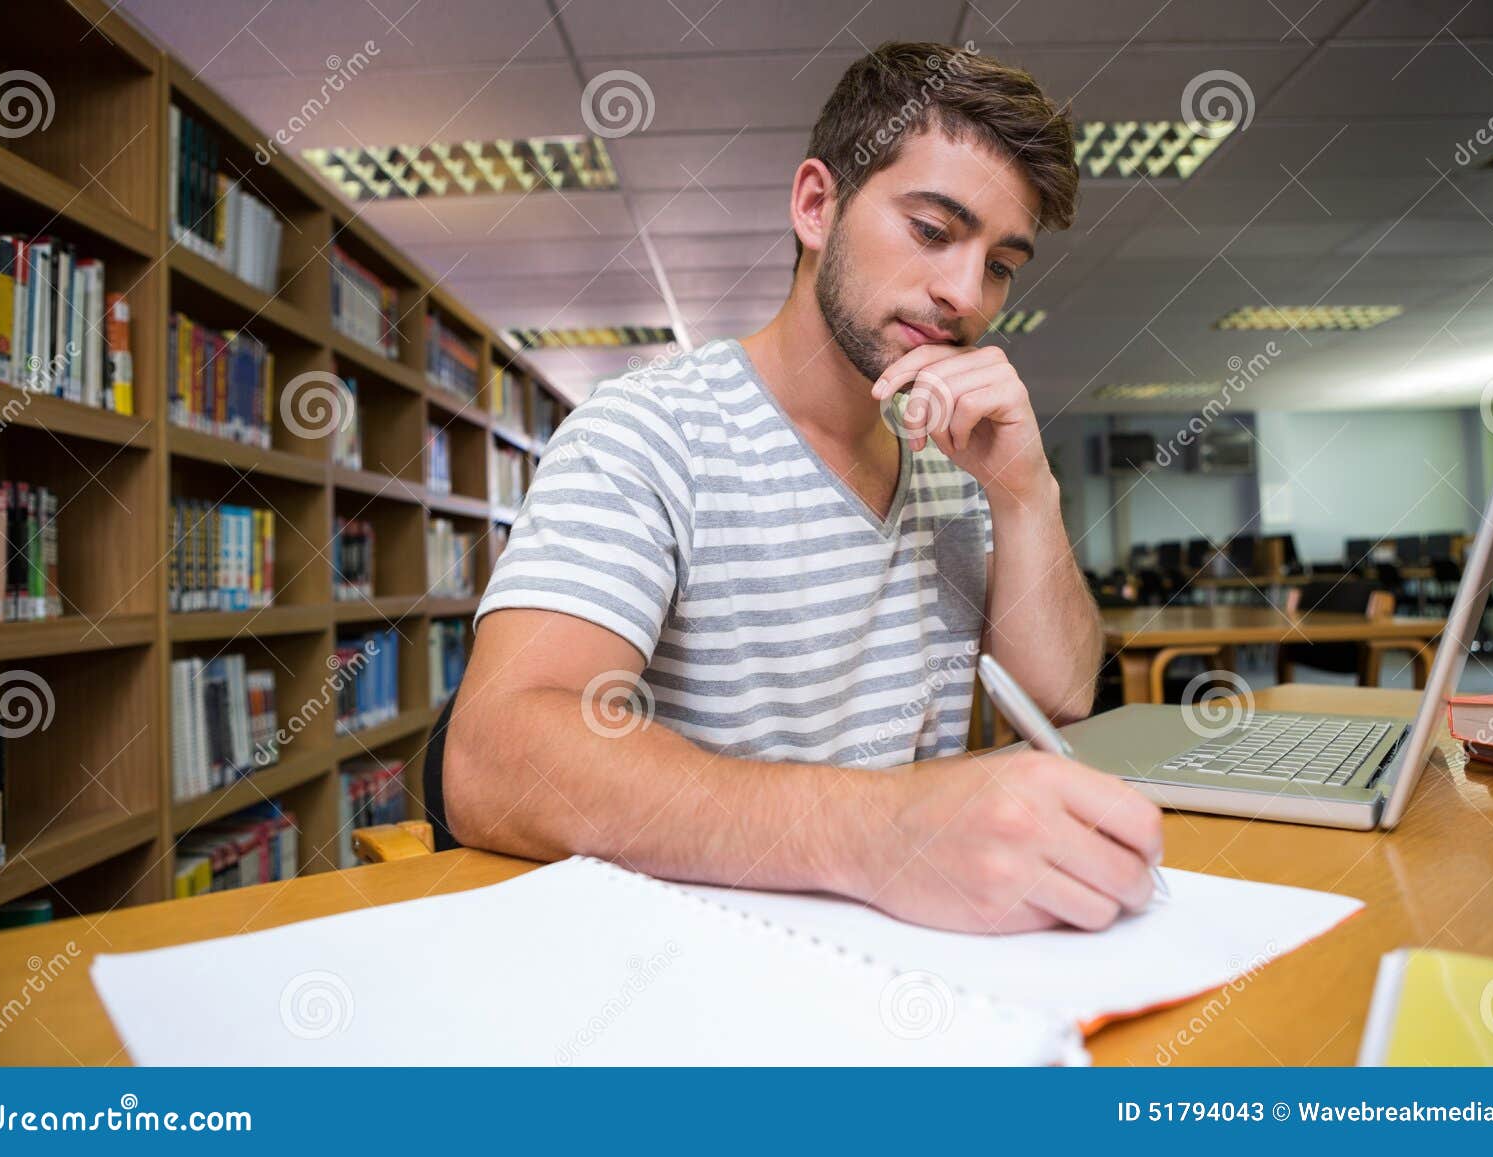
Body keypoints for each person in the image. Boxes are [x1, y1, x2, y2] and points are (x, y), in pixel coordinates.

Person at [444, 42, 1163, 933]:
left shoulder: (954, 462)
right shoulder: (648, 429)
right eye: (934, 231)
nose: (965, 295)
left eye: (1001, 264)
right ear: (817, 205)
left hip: (913, 952)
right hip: (688, 969)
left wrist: (1025, 491)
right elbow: (497, 757)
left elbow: (1058, 701)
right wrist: (881, 829)